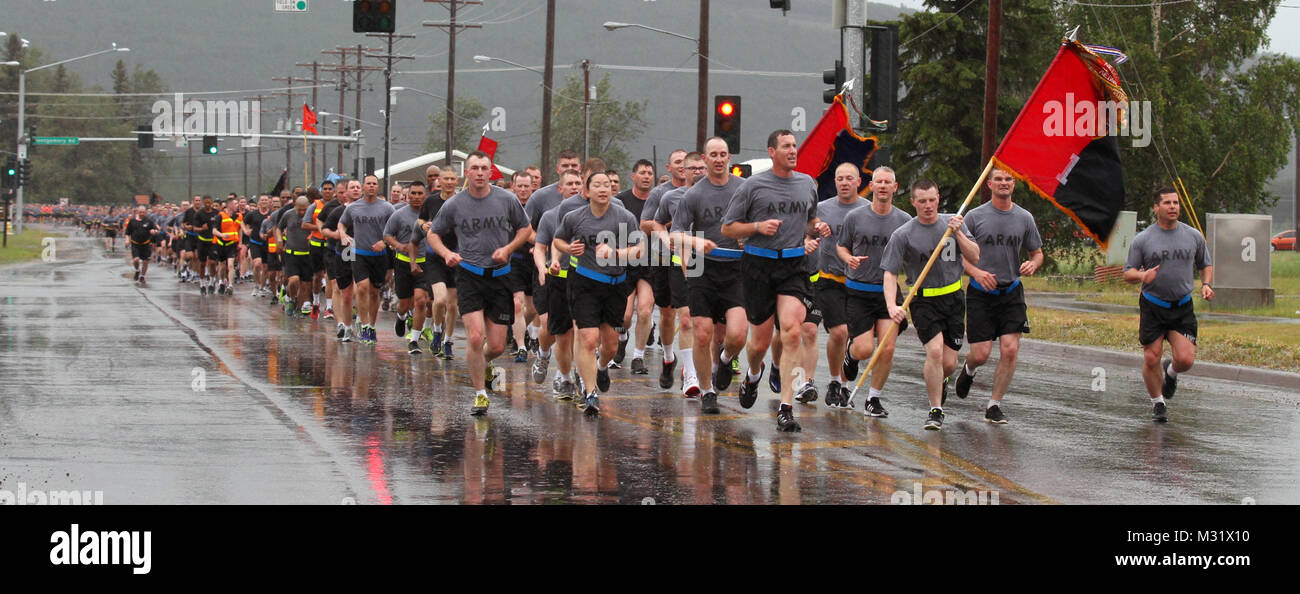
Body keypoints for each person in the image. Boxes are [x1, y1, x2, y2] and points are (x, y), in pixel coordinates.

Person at [721, 130, 830, 432]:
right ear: (772, 151)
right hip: (758, 265)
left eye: (794, 145)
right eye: (786, 146)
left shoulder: (807, 183)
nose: (793, 151)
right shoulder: (753, 186)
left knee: (792, 331)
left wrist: (817, 226)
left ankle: (786, 407)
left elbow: (809, 220)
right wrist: (757, 226)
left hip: (794, 264)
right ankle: (753, 374)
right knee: (758, 344)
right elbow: (729, 228)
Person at [428, 151, 531, 416]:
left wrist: (508, 248)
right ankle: (480, 395)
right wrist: (447, 253)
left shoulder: (506, 199)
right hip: (470, 275)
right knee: (475, 336)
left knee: (496, 345)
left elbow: (525, 229)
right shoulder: (454, 204)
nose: (480, 173)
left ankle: (481, 363)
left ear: (491, 172)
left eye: (485, 168)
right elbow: (433, 234)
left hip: (500, 276)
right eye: (475, 168)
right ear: (468, 173)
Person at [879, 179, 980, 431]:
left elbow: (975, 255)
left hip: (954, 298)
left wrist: (958, 232)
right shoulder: (903, 234)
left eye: (932, 200)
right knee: (934, 353)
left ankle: (941, 380)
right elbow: (890, 273)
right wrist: (892, 305)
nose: (928, 206)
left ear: (939, 198)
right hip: (923, 299)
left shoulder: (954, 222)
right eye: (922, 201)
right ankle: (935, 410)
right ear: (913, 202)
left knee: (948, 363)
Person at [952, 168, 1044, 424]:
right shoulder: (975, 216)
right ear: (989, 184)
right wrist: (976, 273)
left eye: (1008, 180)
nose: (1003, 183)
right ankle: (968, 370)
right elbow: (960, 257)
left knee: (1010, 349)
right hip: (981, 293)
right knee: (980, 353)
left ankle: (994, 405)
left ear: (1014, 184)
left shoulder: (1024, 217)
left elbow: (1037, 253)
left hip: (1011, 292)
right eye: (999, 179)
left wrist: (1033, 264)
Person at [553, 171, 644, 415]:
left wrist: (615, 253)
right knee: (588, 339)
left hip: (615, 284)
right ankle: (590, 393)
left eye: (607, 185)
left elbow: (639, 250)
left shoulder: (624, 217)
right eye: (597, 185)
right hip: (584, 283)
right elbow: (558, 241)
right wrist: (569, 248)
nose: (603, 189)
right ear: (587, 191)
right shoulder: (574, 217)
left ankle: (601, 367)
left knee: (611, 345)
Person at [1123, 187, 1214, 423]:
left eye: (1176, 203)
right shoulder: (1143, 239)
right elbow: (1127, 273)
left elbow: (1206, 263)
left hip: (1182, 306)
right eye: (1167, 203)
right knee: (1151, 357)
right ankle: (1158, 403)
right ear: (1157, 208)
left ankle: (1170, 373)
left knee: (1185, 360)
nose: (1173, 207)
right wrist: (1142, 277)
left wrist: (1206, 284)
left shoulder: (1193, 235)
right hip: (1153, 305)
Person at [672, 138, 748, 414]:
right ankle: (707, 391)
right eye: (713, 155)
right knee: (702, 335)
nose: (718, 159)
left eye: (723, 154)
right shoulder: (693, 194)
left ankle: (726, 359)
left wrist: (746, 235)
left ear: (730, 158)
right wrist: (694, 243)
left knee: (737, 334)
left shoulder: (743, 189)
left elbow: (754, 223)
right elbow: (676, 232)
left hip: (736, 267)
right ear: (704, 160)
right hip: (701, 267)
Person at [837, 167, 912, 417]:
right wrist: (849, 260)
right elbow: (841, 247)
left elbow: (913, 253)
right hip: (858, 290)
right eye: (878, 181)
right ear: (871, 185)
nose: (882, 186)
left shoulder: (904, 221)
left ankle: (873, 399)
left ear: (895, 187)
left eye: (887, 182)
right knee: (866, 348)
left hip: (888, 294)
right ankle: (850, 353)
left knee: (887, 348)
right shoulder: (855, 217)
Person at [806, 162, 868, 406]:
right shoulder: (822, 209)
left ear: (858, 182)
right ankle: (833, 381)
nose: (844, 182)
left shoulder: (868, 209)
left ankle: (843, 386)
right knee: (839, 332)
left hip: (859, 283)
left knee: (854, 337)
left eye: (849, 178)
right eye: (840, 178)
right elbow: (806, 232)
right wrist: (811, 236)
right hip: (829, 279)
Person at [652, 152, 707, 397]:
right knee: (683, 318)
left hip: (714, 262)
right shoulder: (670, 197)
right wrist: (667, 239)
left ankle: (712, 365)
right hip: (681, 261)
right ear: (683, 171)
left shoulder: (721, 194)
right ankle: (688, 372)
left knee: (708, 324)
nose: (697, 171)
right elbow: (655, 223)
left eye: (701, 167)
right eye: (692, 168)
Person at [640, 149, 688, 386]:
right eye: (677, 162)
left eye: (685, 162)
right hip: (663, 258)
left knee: (689, 315)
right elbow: (645, 225)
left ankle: (691, 370)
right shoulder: (660, 193)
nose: (682, 165)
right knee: (668, 314)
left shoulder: (699, 190)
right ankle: (669, 358)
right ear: (669, 168)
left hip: (692, 259)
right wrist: (668, 221)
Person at [339, 175, 396, 345]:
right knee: (362, 288)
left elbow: (395, 228)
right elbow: (342, 223)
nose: (371, 186)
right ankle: (364, 326)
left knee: (374, 292)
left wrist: (384, 242)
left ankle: (371, 325)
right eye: (368, 184)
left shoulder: (387, 207)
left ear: (377, 187)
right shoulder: (353, 207)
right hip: (359, 253)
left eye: (374, 184)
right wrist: (343, 234)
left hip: (379, 256)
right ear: (363, 187)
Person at [616, 159, 657, 375]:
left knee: (644, 311)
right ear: (633, 176)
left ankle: (638, 357)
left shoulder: (659, 199)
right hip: (625, 263)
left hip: (651, 264)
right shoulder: (620, 200)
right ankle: (622, 338)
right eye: (642, 172)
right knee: (624, 316)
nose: (647, 176)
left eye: (650, 173)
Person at [384, 179, 427, 350]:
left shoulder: (431, 215)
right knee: (405, 304)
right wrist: (399, 245)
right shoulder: (399, 214)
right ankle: (401, 317)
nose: (416, 197)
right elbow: (387, 235)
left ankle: (414, 340)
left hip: (424, 263)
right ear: (407, 196)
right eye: (413, 194)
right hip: (402, 263)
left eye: (419, 193)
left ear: (425, 195)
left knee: (421, 301)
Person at [505, 170, 537, 362]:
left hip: (534, 261)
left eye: (527, 186)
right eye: (520, 186)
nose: (523, 190)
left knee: (532, 309)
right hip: (513, 260)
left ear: (533, 187)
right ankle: (521, 347)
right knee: (518, 303)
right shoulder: (506, 205)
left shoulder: (538, 206)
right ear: (513, 186)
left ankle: (518, 329)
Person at [323, 180, 359, 341]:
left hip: (363, 249)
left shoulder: (369, 210)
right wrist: (336, 235)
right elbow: (324, 229)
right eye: (352, 188)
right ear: (346, 193)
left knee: (360, 288)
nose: (356, 190)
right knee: (340, 288)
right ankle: (341, 324)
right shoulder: (338, 211)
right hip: (344, 249)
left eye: (358, 187)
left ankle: (357, 318)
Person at [278, 195, 316, 316]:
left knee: (305, 284)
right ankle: (290, 298)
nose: (302, 212)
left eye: (304, 209)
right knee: (294, 280)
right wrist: (279, 241)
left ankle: (298, 308)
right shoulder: (288, 214)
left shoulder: (312, 215)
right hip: (291, 254)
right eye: (299, 209)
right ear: (295, 206)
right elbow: (278, 228)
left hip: (308, 254)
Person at [125, 206, 161, 283]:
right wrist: (127, 240)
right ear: (137, 212)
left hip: (146, 244)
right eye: (140, 212)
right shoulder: (132, 221)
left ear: (146, 212)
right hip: (135, 243)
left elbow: (157, 230)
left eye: (143, 212)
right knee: (136, 260)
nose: (142, 214)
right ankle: (137, 270)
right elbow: (127, 233)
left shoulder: (149, 221)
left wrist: (154, 231)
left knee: (145, 261)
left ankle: (142, 276)